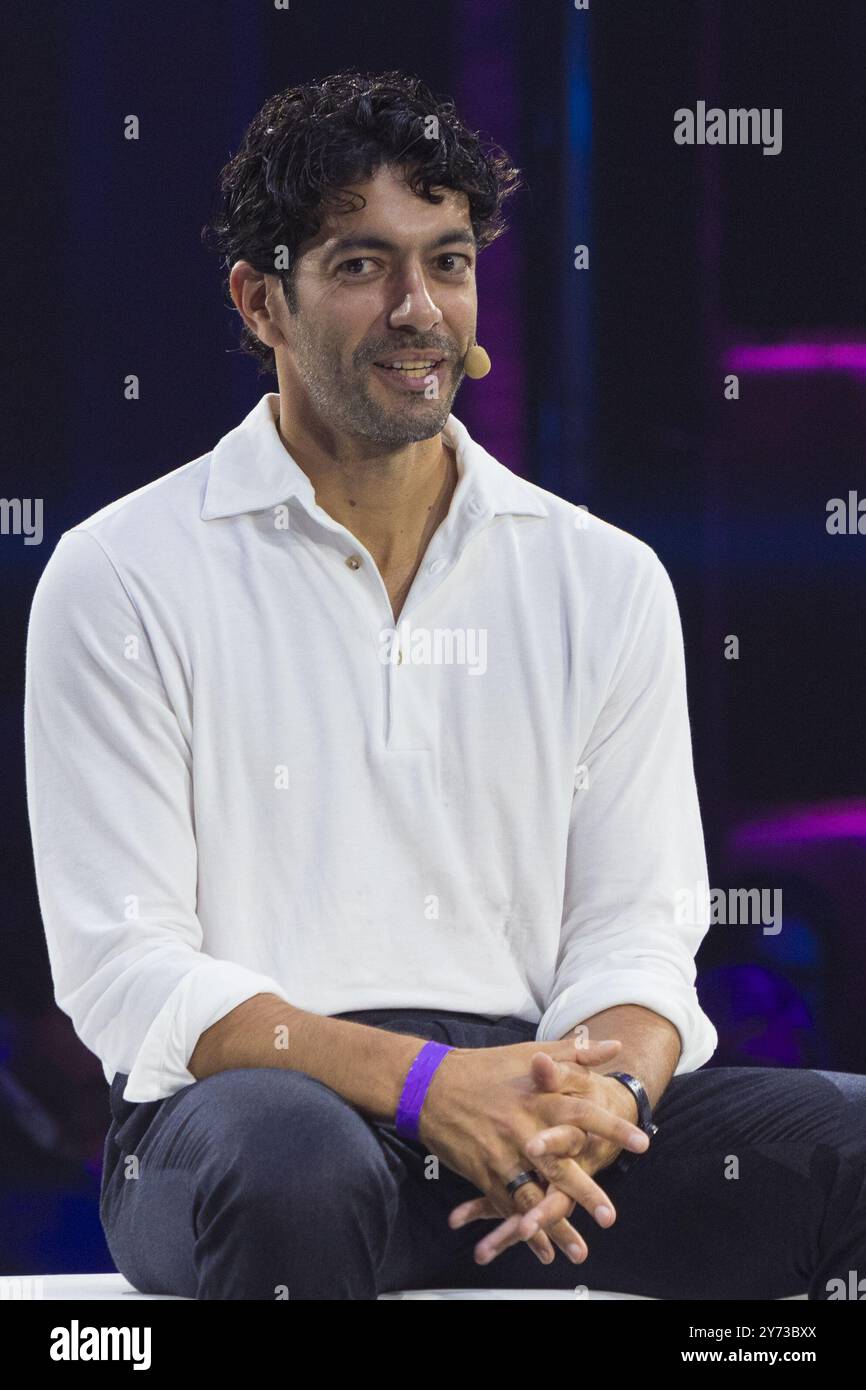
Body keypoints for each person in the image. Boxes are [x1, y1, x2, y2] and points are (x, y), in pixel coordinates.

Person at [24, 70, 865, 1300]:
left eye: (449, 259)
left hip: (531, 1124)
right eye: (362, 264)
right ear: (261, 301)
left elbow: (637, 932)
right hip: (247, 1114)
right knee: (291, 1163)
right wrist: (423, 1086)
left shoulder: (600, 577)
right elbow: (124, 968)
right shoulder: (122, 573)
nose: (419, 308)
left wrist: (598, 1095)